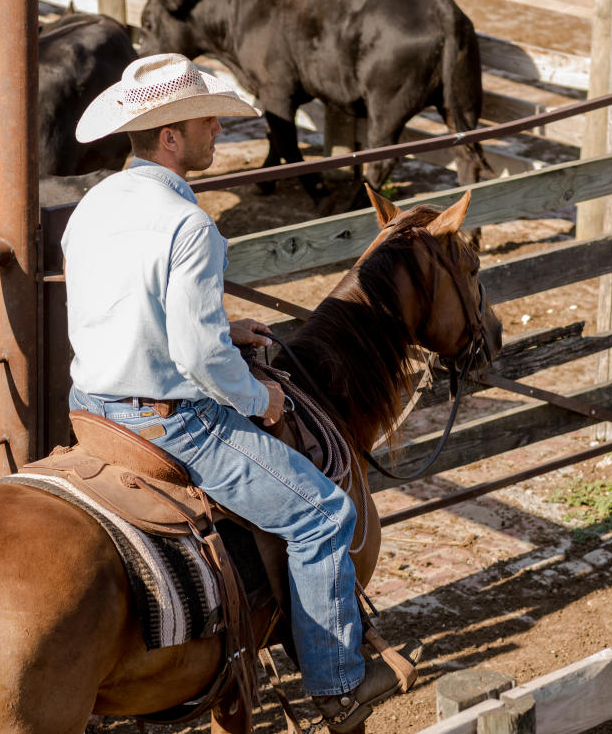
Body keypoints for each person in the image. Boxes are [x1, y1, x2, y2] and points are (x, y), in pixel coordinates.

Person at [62, 53, 403, 732]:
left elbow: (126, 305)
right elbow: (198, 359)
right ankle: (337, 685)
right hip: (169, 421)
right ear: (170, 137)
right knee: (323, 515)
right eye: (206, 122)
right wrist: (258, 399)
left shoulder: (94, 204)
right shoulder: (188, 225)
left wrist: (224, 326)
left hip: (92, 407)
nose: (218, 129)